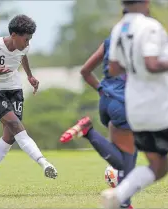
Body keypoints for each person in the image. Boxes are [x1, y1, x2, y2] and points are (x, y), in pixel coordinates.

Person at [101, 1, 168, 209]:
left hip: (137, 111)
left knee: (158, 166)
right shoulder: (150, 26)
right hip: (165, 108)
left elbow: (113, 68)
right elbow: (152, 64)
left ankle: (119, 195)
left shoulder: (119, 29)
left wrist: (135, 66)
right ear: (146, 2)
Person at [0, 15, 58, 190]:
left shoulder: (23, 47)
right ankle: (44, 163)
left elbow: (23, 56)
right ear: (14, 35)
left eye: (30, 39)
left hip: (13, 87)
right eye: (26, 39)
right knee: (16, 125)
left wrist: (30, 76)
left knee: (10, 136)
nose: (28, 43)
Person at [60, 8, 136, 209]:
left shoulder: (110, 40)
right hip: (123, 103)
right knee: (127, 159)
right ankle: (89, 132)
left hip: (106, 102)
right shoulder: (140, 40)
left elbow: (85, 71)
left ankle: (124, 203)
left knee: (124, 157)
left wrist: (102, 90)